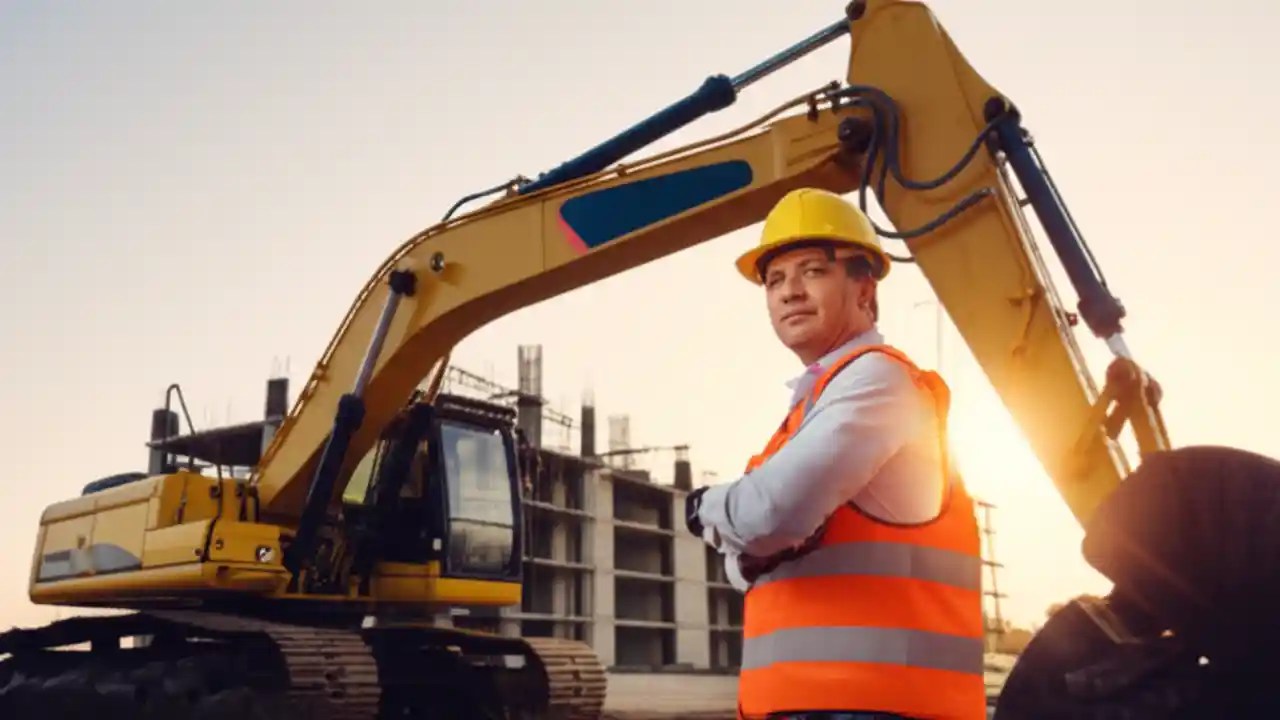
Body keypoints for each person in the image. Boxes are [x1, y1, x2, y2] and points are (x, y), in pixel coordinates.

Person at [685, 188, 987, 720]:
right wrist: (751, 544)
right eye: (774, 280)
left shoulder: (879, 380)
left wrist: (704, 505)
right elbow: (759, 554)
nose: (789, 292)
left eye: (813, 272)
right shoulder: (821, 401)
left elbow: (767, 516)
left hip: (870, 708)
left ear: (865, 293)